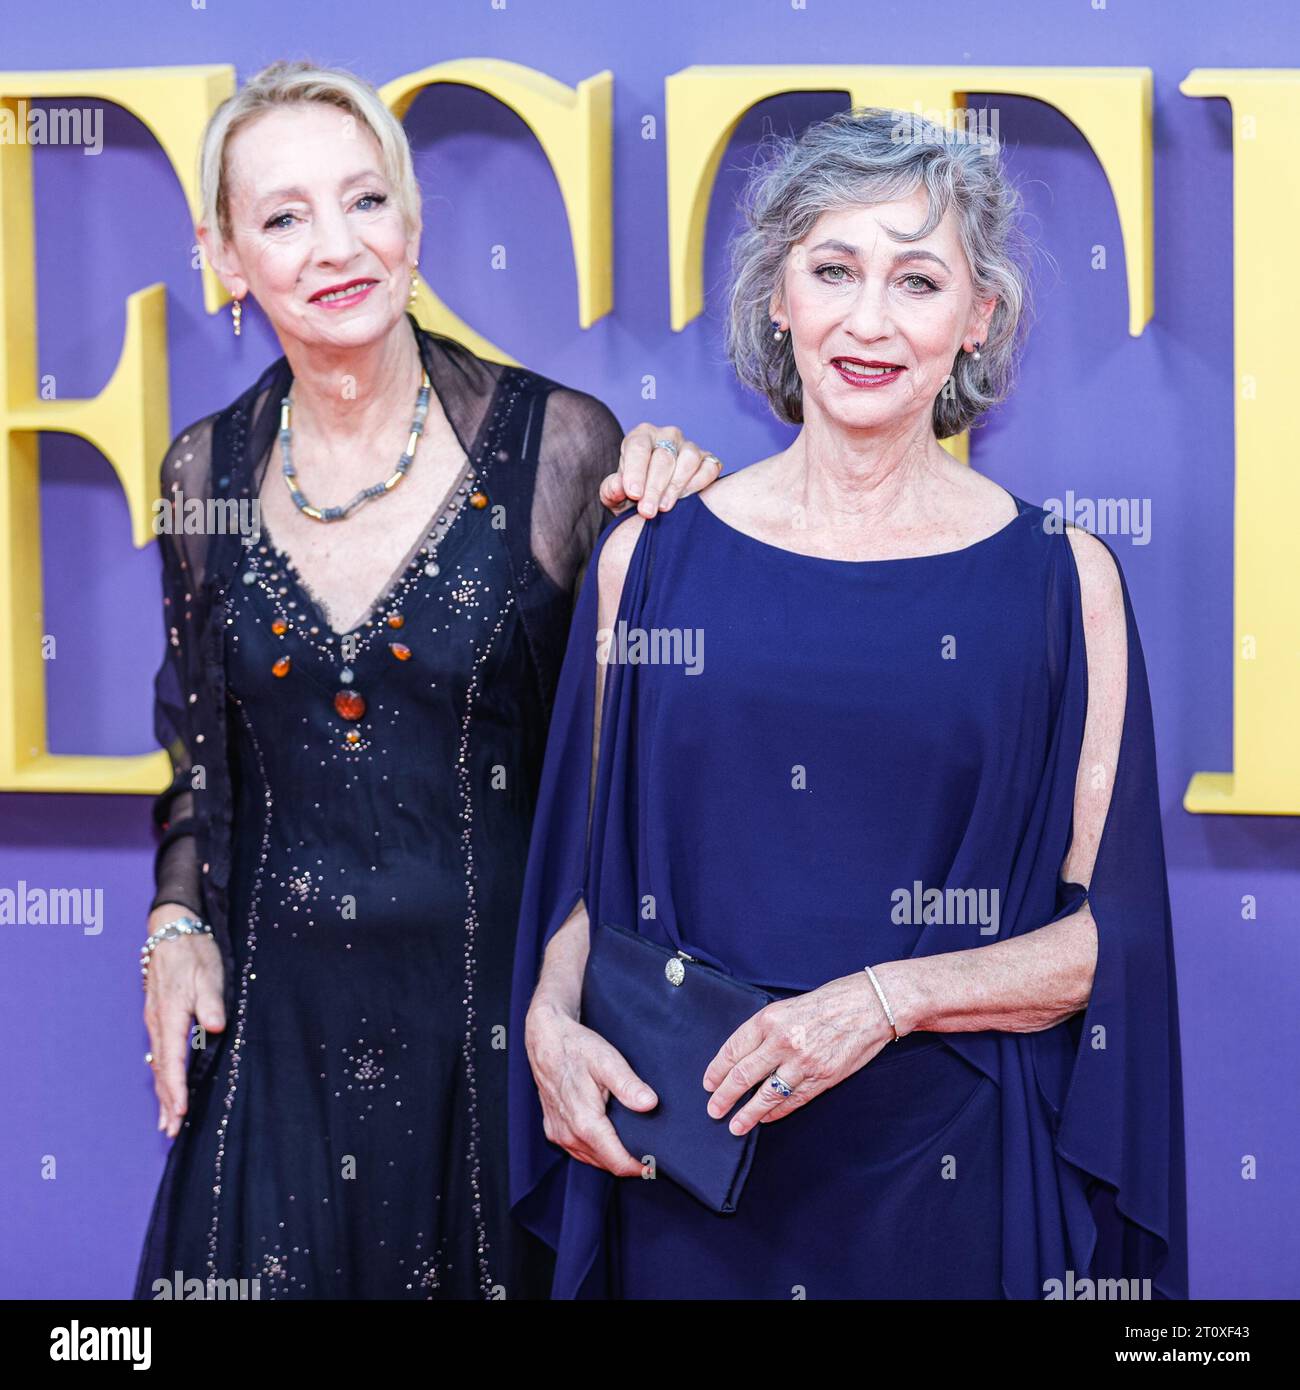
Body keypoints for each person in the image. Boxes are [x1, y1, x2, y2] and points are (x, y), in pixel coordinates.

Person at [511, 106, 1188, 1299]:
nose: (868, 321)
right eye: (833, 268)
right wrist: (549, 1029)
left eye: (918, 280)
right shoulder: (651, 559)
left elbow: (1104, 942)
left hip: (949, 1183)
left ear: (977, 320)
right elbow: (575, 873)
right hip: (687, 1162)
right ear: (779, 293)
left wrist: (883, 1002)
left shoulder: (1062, 580)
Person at [134, 58, 718, 1301]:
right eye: (283, 216)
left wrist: (688, 523)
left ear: (412, 223)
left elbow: (629, 770)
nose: (333, 246)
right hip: (274, 1051)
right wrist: (176, 921)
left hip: (499, 1036)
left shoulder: (564, 447)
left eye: (364, 202)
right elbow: (199, 742)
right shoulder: (202, 473)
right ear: (224, 254)